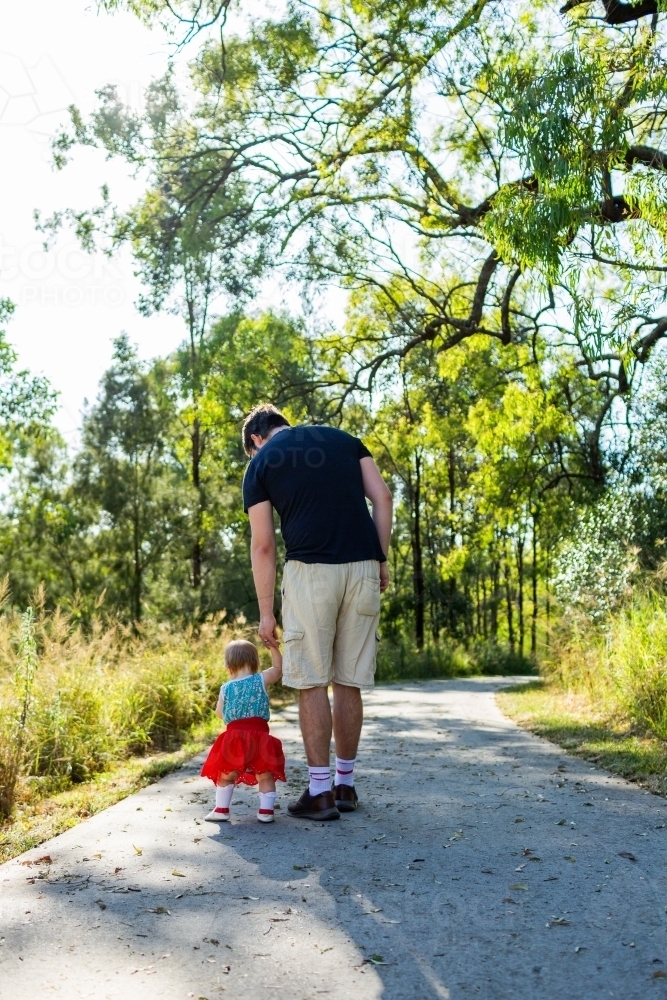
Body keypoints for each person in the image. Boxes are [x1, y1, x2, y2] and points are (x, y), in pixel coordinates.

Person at [242, 404, 393, 821]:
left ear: (256, 439)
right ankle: (345, 784)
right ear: (282, 425)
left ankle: (320, 792)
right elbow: (382, 497)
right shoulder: (344, 440)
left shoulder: (262, 463)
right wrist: (379, 558)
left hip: (310, 572)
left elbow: (264, 546)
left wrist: (267, 613)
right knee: (349, 679)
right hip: (362, 566)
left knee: (310, 680)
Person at [201, 638, 285, 824]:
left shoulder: (226, 688)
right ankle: (266, 811)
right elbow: (278, 669)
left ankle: (221, 810)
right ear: (255, 661)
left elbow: (219, 714)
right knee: (265, 774)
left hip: (234, 739)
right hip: (260, 737)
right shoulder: (261, 679)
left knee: (226, 774)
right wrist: (274, 648)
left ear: (228, 665)